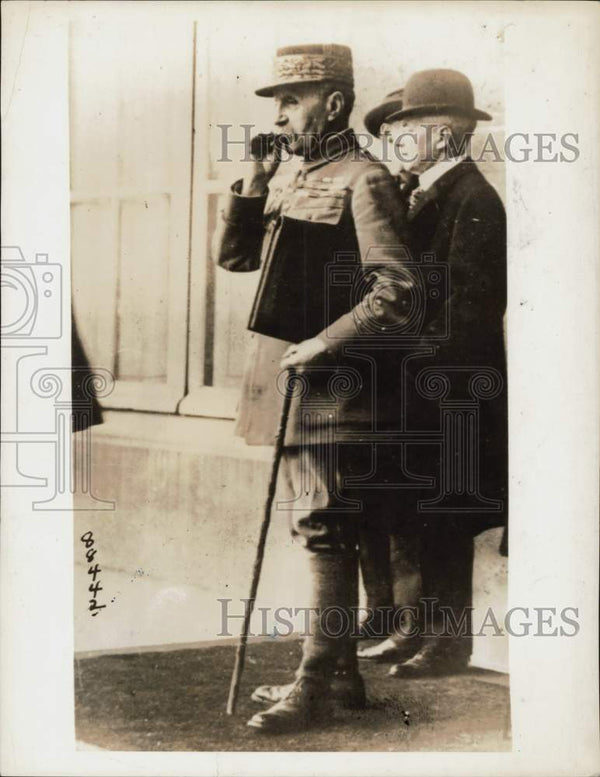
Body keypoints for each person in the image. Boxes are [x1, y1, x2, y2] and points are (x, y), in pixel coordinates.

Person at [213, 43, 413, 732]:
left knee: (324, 528)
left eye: (290, 100)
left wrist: (324, 342)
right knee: (322, 527)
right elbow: (240, 261)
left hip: (339, 386)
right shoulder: (298, 177)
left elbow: (398, 292)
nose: (279, 114)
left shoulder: (367, 179)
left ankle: (314, 680)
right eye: (275, 102)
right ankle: (343, 676)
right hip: (289, 380)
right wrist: (255, 182)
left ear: (333, 102)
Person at [362, 69, 508, 676]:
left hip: (453, 391)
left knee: (445, 519)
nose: (396, 143)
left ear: (446, 136)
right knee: (417, 512)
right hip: (422, 387)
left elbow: (469, 312)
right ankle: (415, 628)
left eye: (407, 131)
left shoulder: (474, 200)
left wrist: (416, 373)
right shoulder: (425, 196)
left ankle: (449, 643)